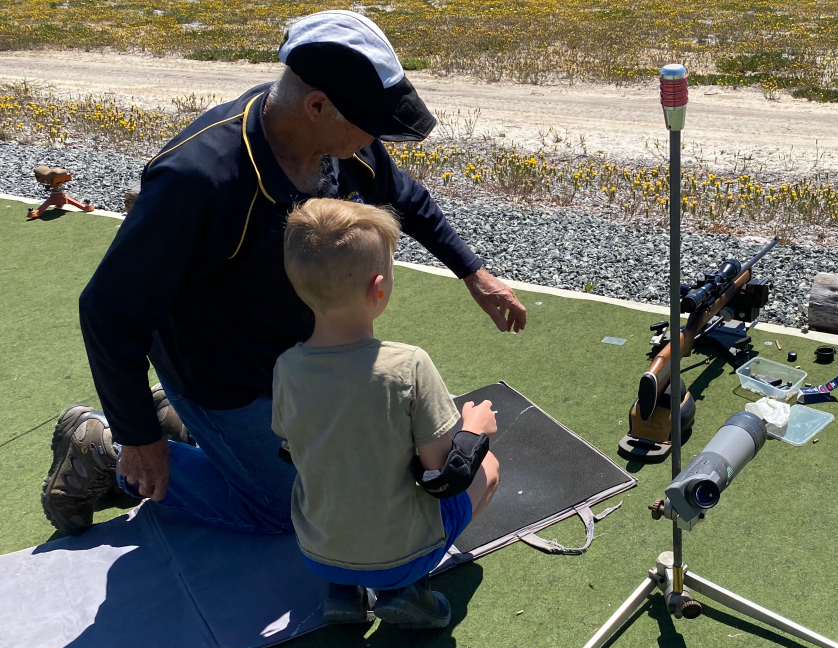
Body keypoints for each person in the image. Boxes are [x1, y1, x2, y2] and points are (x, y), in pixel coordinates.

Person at [40, 10, 525, 536]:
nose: (376, 138)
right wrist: (138, 439)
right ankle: (102, 445)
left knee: (358, 467)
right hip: (222, 379)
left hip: (299, 363)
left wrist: (473, 273)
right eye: (368, 122)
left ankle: (178, 425)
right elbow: (109, 312)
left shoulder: (340, 143)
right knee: (291, 511)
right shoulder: (197, 179)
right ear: (317, 106)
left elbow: (405, 195)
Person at [272, 199, 499, 627]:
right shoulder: (409, 366)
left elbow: (293, 448)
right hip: (400, 555)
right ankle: (406, 590)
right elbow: (443, 475)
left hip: (317, 553)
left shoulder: (286, 367)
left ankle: (344, 591)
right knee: (488, 469)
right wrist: (475, 431)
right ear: (379, 288)